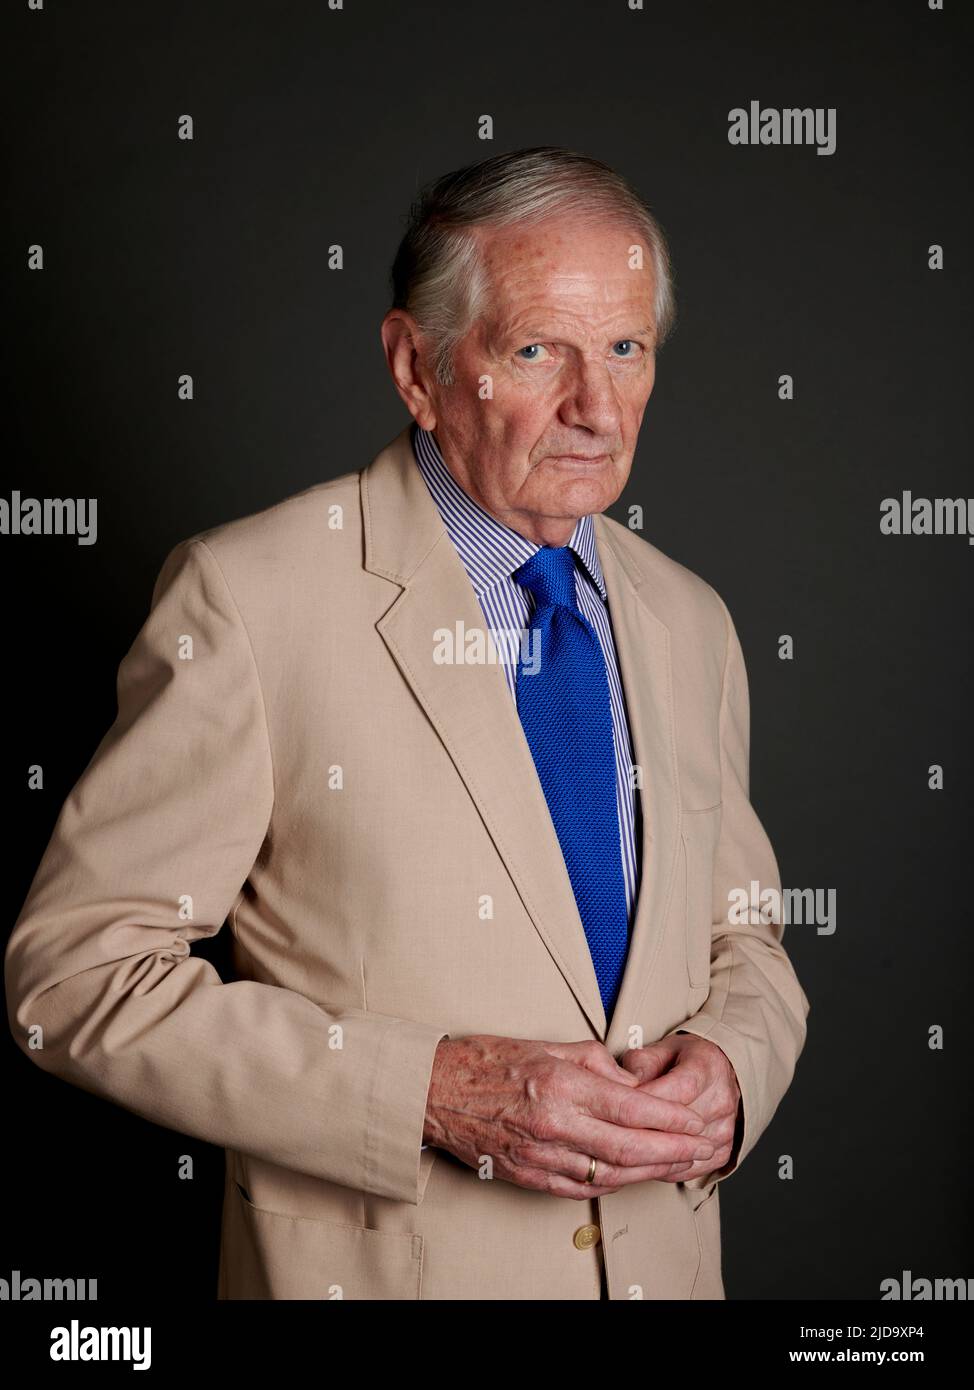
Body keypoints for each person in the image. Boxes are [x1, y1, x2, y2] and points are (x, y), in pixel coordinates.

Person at [5, 146, 809, 1300]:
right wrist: (425, 1089)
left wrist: (734, 1068)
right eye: (537, 350)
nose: (595, 405)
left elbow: (746, 944)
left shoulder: (690, 618)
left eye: (625, 349)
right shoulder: (249, 598)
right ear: (418, 368)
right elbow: (72, 977)